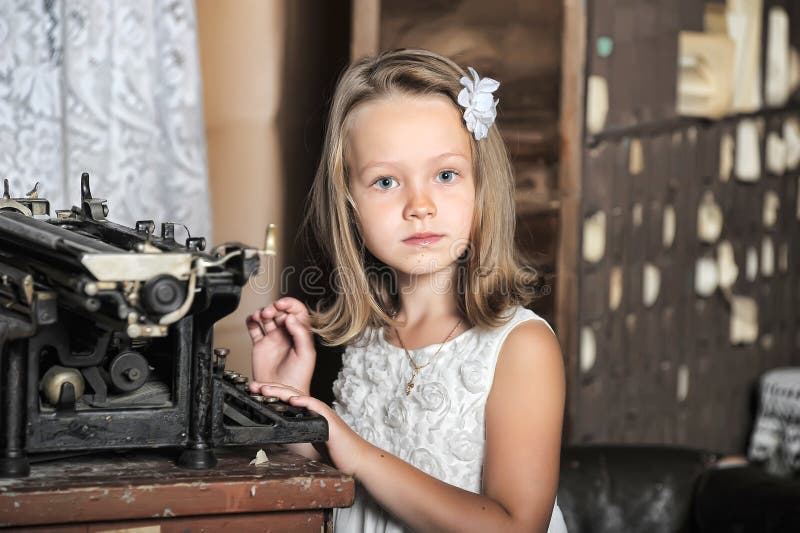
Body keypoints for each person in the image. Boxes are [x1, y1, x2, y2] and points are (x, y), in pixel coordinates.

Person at [246, 48, 567, 532]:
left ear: (482, 186)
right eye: (386, 181)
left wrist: (357, 452)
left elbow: (517, 527)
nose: (419, 205)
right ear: (349, 204)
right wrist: (291, 406)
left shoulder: (522, 347)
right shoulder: (369, 337)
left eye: (445, 175)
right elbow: (346, 489)